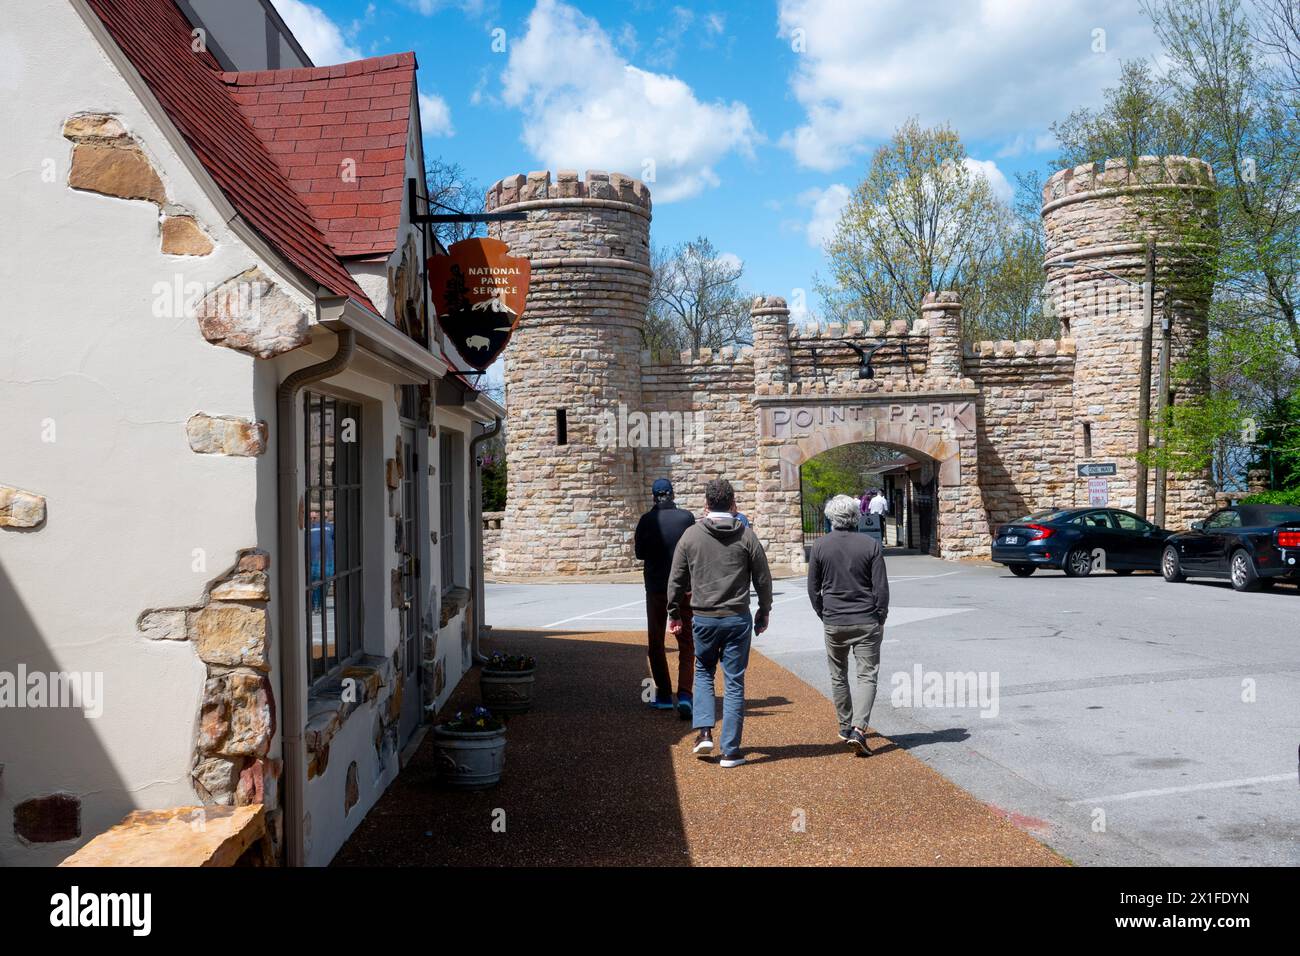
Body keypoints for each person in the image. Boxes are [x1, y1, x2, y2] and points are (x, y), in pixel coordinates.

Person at [667, 478, 772, 768]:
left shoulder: (691, 535)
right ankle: (730, 750)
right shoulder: (747, 536)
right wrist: (764, 611)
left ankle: (703, 732)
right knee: (735, 681)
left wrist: (674, 613)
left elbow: (676, 579)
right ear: (733, 504)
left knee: (703, 672)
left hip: (703, 617)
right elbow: (763, 579)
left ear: (706, 504)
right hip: (737, 617)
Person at [807, 494, 890, 756]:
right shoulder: (870, 545)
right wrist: (880, 615)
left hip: (834, 619)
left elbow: (813, 587)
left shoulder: (820, 546)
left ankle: (845, 725)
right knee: (867, 675)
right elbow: (880, 587)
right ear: (855, 516)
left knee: (838, 674)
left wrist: (823, 612)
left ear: (831, 517)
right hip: (866, 618)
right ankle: (859, 728)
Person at [634, 478, 696, 718]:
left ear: (654, 496)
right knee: (687, 643)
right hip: (683, 589)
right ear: (672, 494)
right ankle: (685, 695)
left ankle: (662, 694)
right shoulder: (686, 518)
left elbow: (640, 553)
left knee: (656, 642)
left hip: (657, 588)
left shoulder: (646, 521)